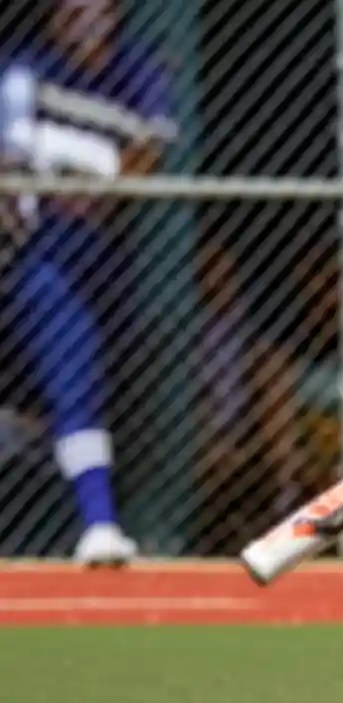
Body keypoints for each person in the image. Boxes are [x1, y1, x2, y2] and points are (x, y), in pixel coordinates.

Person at [0, 0, 175, 564]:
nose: (80, 14)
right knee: (73, 376)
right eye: (68, 6)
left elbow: (149, 150)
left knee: (86, 382)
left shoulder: (137, 71)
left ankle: (27, 427)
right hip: (37, 248)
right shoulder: (25, 70)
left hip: (105, 254)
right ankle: (99, 523)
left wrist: (100, 183)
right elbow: (8, 157)